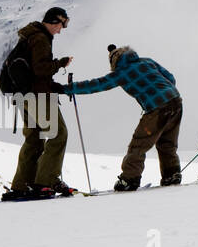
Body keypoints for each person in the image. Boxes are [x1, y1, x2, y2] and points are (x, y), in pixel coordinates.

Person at [67, 44, 183, 190]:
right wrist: (164, 91)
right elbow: (170, 78)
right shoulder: (147, 61)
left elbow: (97, 85)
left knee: (138, 145)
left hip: (157, 107)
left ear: (114, 61)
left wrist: (70, 88)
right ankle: (172, 175)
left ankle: (129, 179)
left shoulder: (122, 72)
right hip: (176, 101)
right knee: (167, 144)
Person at [3, 7, 75, 201]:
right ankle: (44, 182)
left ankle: (21, 185)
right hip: (37, 97)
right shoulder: (41, 39)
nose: (61, 30)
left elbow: (32, 72)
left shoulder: (29, 36)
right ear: (54, 21)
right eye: (62, 25)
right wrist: (60, 63)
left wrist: (53, 85)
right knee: (58, 134)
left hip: (23, 96)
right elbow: (40, 69)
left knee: (34, 139)